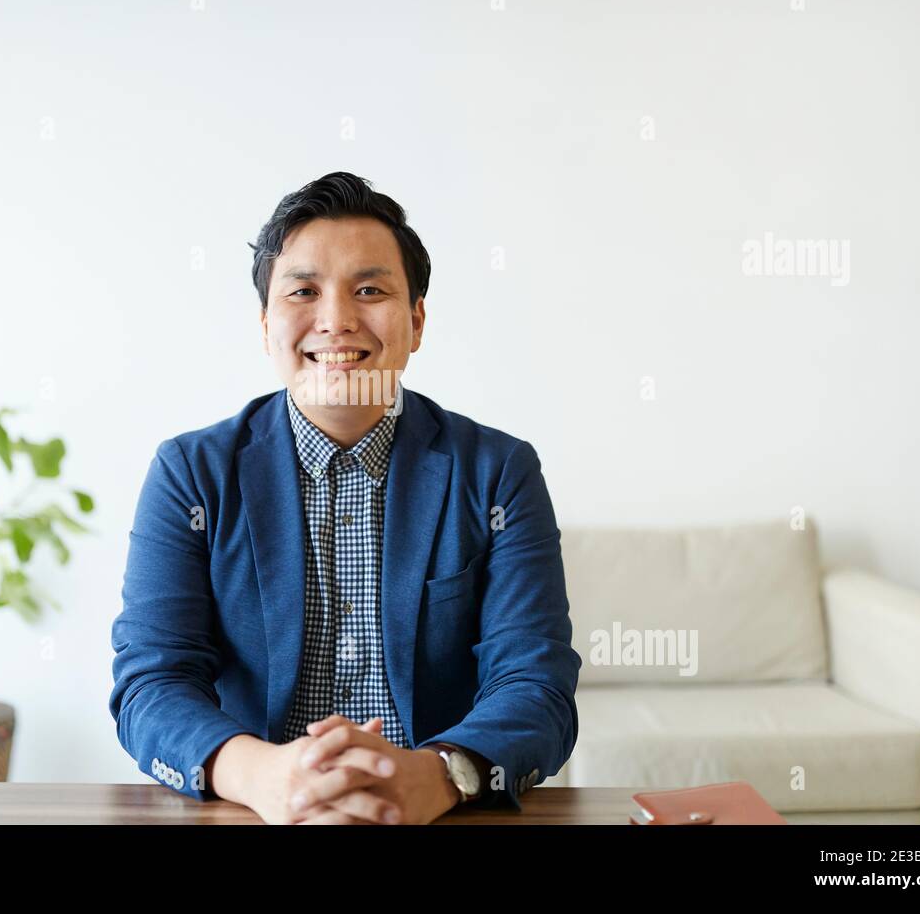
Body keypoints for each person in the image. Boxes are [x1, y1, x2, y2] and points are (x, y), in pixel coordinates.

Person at [109, 171, 580, 824]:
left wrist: (437, 776)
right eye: (304, 291)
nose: (335, 320)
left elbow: (536, 684)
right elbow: (152, 684)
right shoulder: (191, 474)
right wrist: (266, 775)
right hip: (253, 810)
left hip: (438, 812)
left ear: (416, 321)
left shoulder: (499, 472)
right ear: (267, 322)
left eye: (369, 290)